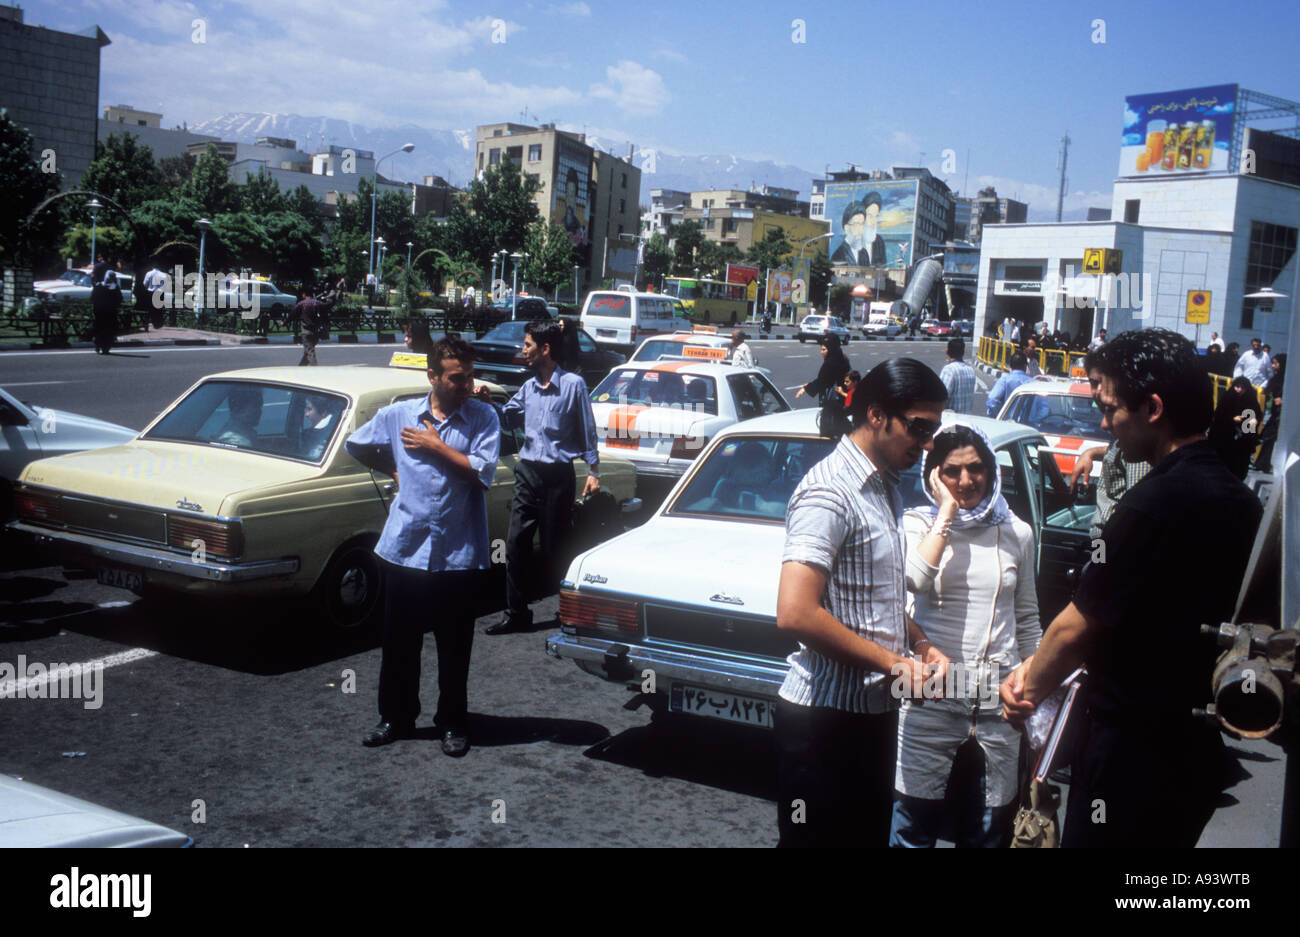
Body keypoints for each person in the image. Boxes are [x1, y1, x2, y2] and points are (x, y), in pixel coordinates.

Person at [1000, 328, 1263, 848]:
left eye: (1112, 408)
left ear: (1154, 407)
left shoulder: (1151, 504)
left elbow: (1076, 626)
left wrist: (1024, 693)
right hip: (1197, 751)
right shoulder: (1241, 500)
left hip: (1130, 754)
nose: (1104, 423)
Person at [774, 358, 951, 847]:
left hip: (871, 713)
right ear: (876, 415)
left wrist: (920, 644)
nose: (928, 443)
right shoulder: (830, 491)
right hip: (822, 723)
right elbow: (795, 612)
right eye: (919, 427)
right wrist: (894, 663)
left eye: (934, 430)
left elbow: (878, 594)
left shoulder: (885, 486)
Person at [346, 336, 500, 756]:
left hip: (458, 551)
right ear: (432, 376)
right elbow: (356, 444)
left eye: (469, 377)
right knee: (399, 641)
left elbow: (482, 472)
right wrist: (393, 467)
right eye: (456, 378)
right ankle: (395, 717)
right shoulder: (398, 415)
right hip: (405, 547)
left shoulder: (483, 418)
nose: (465, 385)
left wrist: (436, 446)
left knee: (454, 645)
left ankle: (452, 722)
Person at [892, 424, 1040, 848]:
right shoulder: (916, 524)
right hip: (929, 692)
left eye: (976, 468)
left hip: (997, 696)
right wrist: (945, 513)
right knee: (911, 826)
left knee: (989, 828)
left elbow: (1027, 617)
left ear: (992, 471)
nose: (965, 480)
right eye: (952, 470)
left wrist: (1037, 685)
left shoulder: (1018, 532)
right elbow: (910, 586)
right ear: (934, 474)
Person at [490, 321, 601, 635]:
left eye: (527, 345)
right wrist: (487, 403)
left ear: (546, 349)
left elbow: (587, 430)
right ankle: (516, 613)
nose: (523, 350)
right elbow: (508, 416)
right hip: (527, 474)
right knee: (515, 544)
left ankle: (569, 612)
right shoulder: (527, 388)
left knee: (556, 548)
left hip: (556, 478)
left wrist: (594, 470)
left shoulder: (574, 386)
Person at [1208, 376, 1263, 480]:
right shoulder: (1227, 398)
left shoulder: (1251, 400)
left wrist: (1255, 420)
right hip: (1225, 438)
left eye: (1242, 388)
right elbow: (1218, 416)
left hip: (1243, 440)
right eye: (1237, 387)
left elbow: (1258, 413)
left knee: (1240, 468)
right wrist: (1232, 419)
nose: (1239, 390)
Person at [831, 194, 887, 266]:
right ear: (846, 228)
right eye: (856, 224)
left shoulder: (863, 253)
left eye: (861, 224)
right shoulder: (839, 255)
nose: (860, 230)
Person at [794, 334, 850, 403]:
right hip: (844, 398)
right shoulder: (843, 359)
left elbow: (822, 381)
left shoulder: (830, 363)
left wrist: (806, 388)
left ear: (831, 349)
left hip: (833, 402)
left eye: (824, 349)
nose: (821, 352)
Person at [1253, 353, 1286, 471]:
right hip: (1276, 413)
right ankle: (1262, 464)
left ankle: (1263, 464)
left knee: (1268, 437)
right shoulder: (1278, 378)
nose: (1273, 366)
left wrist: (1282, 400)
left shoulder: (1286, 379)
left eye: (1275, 363)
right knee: (1268, 438)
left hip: (1281, 414)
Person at [984, 352, 1033, 417]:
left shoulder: (1004, 380)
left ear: (1010, 365)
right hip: (1027, 423)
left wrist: (1002, 414)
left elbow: (992, 400)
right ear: (1025, 366)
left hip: (1007, 422)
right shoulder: (1032, 382)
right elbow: (1043, 407)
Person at [90, 256, 121, 355]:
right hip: (111, 313)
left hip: (99, 312)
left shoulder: (99, 286)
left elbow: (92, 298)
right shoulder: (116, 288)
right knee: (109, 329)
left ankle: (98, 345)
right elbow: (119, 299)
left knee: (99, 327)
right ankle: (106, 347)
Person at [939, 338, 977, 415]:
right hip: (967, 418)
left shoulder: (949, 370)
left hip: (952, 420)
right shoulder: (970, 370)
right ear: (963, 353)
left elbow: (941, 397)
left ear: (947, 351)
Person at [292, 285, 325, 366]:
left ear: (304, 294)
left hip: (306, 331)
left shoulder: (301, 304)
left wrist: (284, 322)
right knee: (308, 350)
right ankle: (301, 367)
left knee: (310, 351)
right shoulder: (317, 303)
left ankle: (315, 368)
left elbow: (292, 314)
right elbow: (326, 307)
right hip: (315, 331)